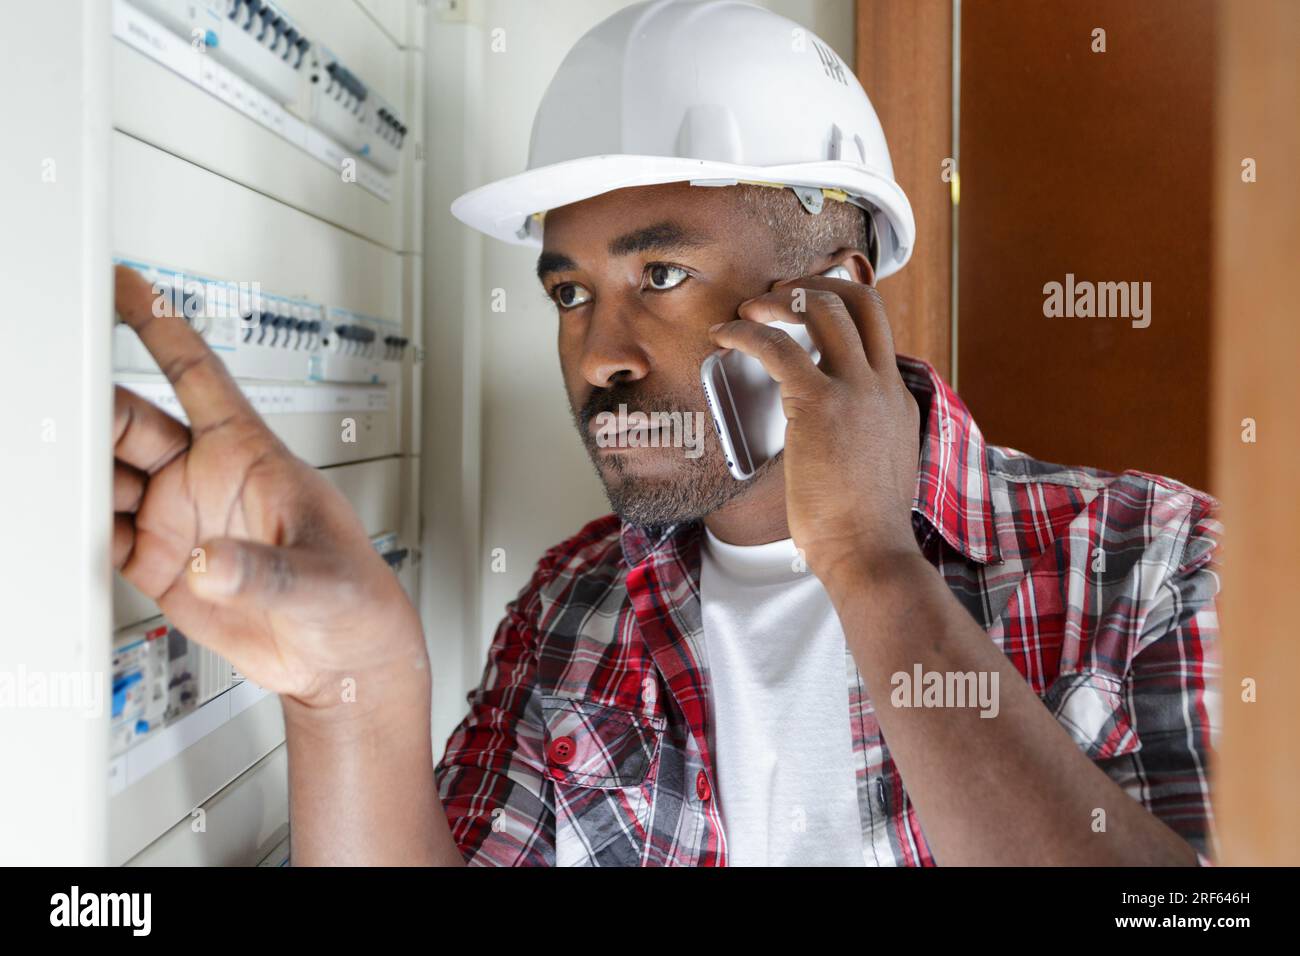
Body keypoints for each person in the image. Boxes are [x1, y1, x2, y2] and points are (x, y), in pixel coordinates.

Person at [111, 0, 1219, 866]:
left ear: (829, 293)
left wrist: (872, 566)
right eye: (568, 293)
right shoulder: (571, 607)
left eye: (660, 273)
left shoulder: (1153, 564)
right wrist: (350, 687)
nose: (599, 353)